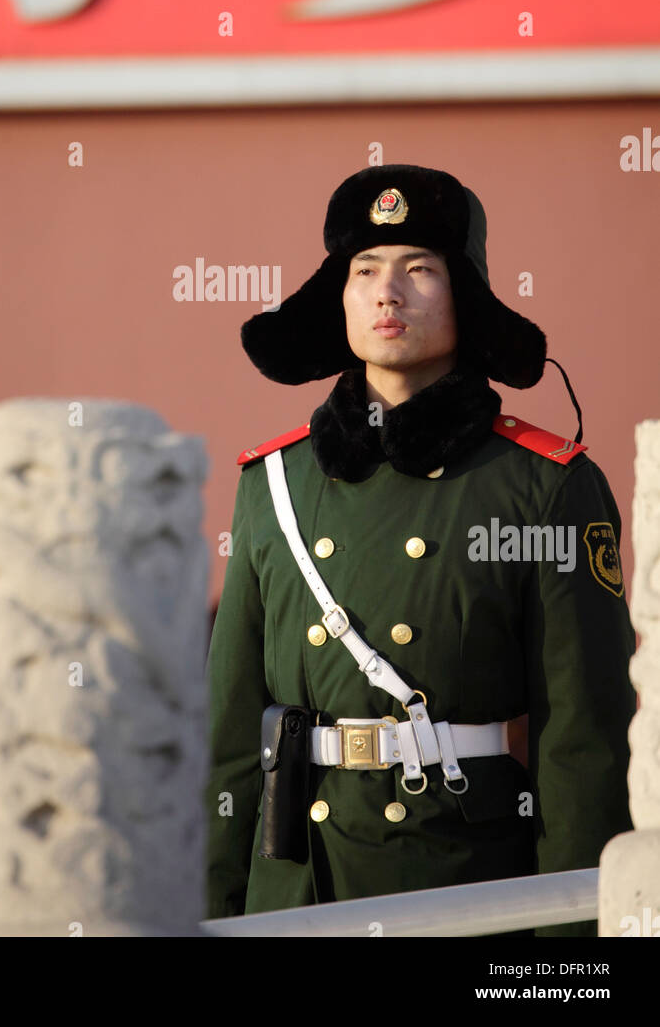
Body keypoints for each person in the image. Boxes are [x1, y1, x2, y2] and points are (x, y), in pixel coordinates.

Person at [205, 163, 636, 937]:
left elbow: (583, 745)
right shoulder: (273, 483)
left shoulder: (544, 488)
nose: (386, 293)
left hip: (462, 889)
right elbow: (229, 736)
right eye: (364, 270)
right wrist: (205, 915)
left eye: (419, 270)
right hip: (296, 891)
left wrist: (568, 956)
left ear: (463, 294)